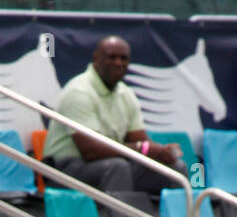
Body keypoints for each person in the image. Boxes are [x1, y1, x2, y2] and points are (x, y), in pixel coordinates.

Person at [41, 36, 184, 196]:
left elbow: (140, 141)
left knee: (176, 170)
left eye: (124, 58)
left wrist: (160, 152)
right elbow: (91, 151)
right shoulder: (79, 91)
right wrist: (143, 149)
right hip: (64, 169)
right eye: (112, 57)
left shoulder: (126, 93)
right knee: (116, 167)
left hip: (107, 164)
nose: (118, 63)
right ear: (96, 58)